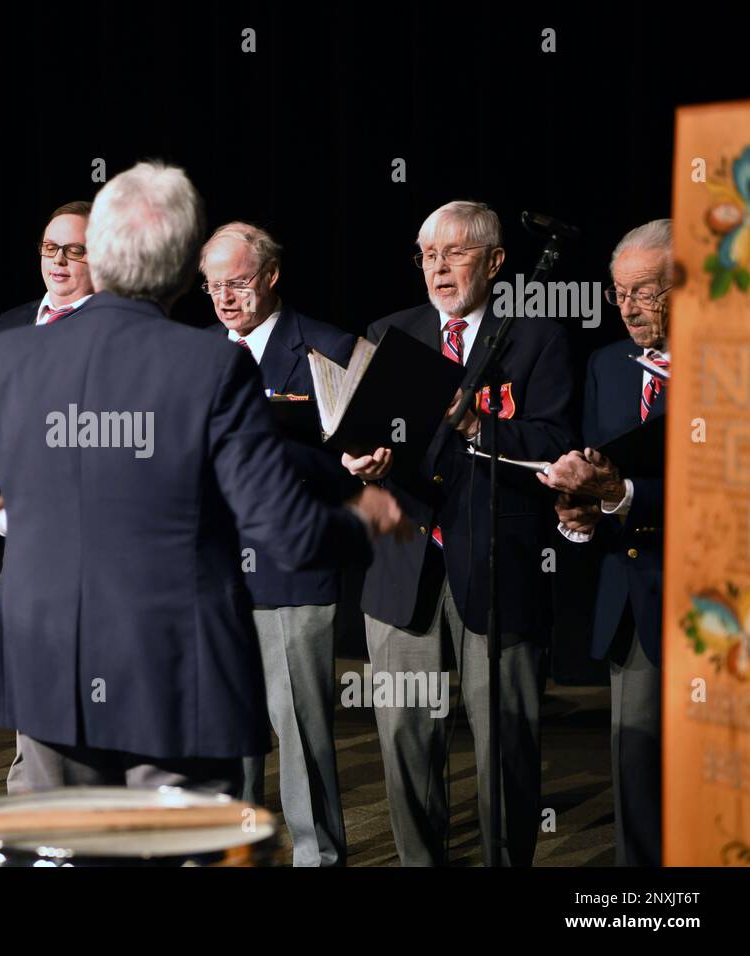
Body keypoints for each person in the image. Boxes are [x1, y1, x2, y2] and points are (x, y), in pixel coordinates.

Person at [0, 161, 407, 794]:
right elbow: (282, 529)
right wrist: (361, 520)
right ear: (184, 270)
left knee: (67, 852)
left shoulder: (13, 358)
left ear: (102, 255)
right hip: (174, 669)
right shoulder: (210, 365)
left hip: (45, 665)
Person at [343, 200, 576, 866]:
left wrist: (477, 428)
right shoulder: (389, 331)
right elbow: (368, 436)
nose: (438, 267)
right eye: (427, 253)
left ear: (497, 262)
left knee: (507, 744)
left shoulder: (536, 337)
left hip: (499, 565)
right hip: (401, 567)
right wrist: (357, 458)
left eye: (457, 252)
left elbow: (558, 443)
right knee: (406, 741)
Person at [200, 221, 360, 866]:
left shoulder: (325, 346)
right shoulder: (198, 351)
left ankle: (318, 856)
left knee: (300, 731)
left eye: (237, 283)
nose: (224, 299)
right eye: (212, 286)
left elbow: (352, 462)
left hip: (291, 566)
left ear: (270, 276)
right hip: (212, 574)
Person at [0, 200, 95, 794]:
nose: (59, 261)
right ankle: (34, 797)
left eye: (75, 250)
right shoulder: (8, 324)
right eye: (50, 248)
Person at [538, 219, 672, 866]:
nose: (627, 308)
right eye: (619, 293)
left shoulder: (736, 358)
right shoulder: (607, 365)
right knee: (638, 783)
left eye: (645, 291)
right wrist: (580, 513)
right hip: (633, 603)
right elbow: (601, 472)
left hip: (720, 607)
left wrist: (624, 495)